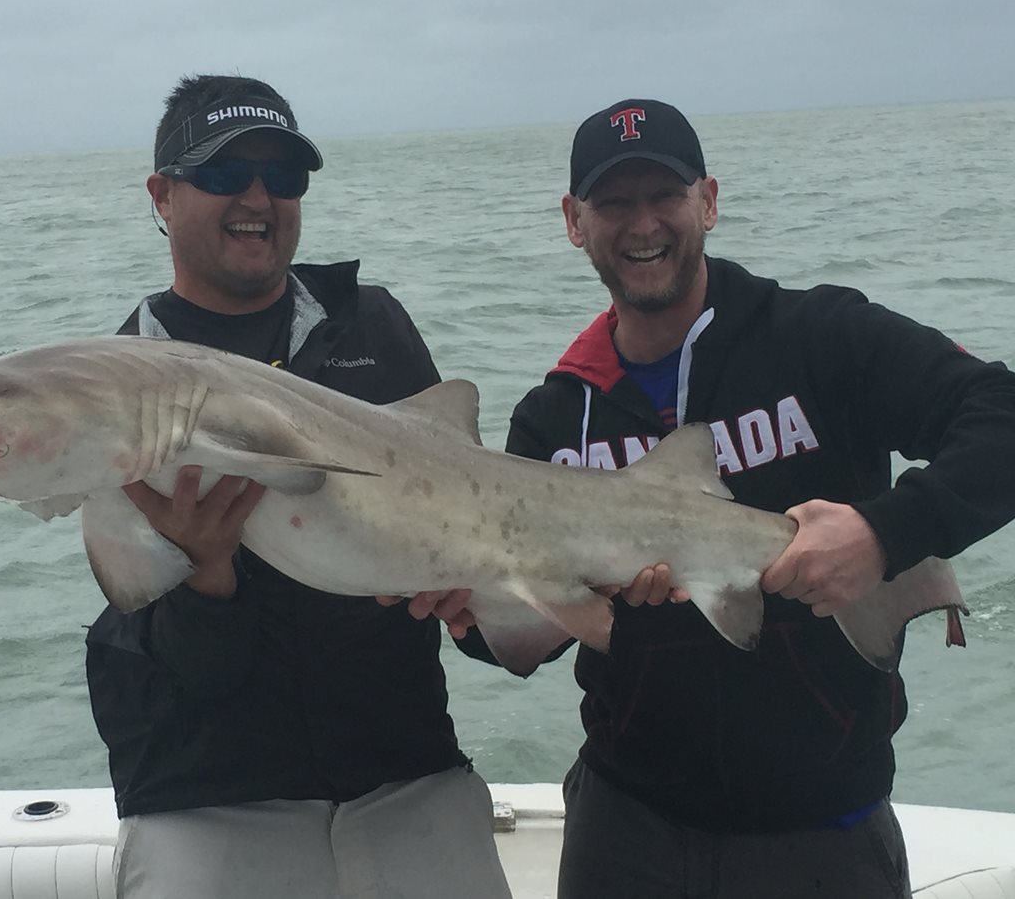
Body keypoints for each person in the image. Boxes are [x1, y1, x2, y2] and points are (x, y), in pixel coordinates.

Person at [417, 98, 1015, 898]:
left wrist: (883, 533)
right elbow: (525, 636)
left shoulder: (821, 338)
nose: (642, 224)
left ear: (708, 200)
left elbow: (999, 415)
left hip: (821, 830)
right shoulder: (556, 417)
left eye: (663, 195)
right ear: (573, 220)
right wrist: (468, 611)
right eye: (614, 202)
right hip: (626, 829)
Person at [84, 74, 512, 899]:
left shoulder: (372, 323)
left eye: (283, 177)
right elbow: (180, 670)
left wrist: (482, 596)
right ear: (162, 196)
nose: (258, 196)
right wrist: (205, 578)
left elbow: (467, 540)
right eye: (223, 174)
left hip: (404, 770)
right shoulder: (118, 384)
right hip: (209, 798)